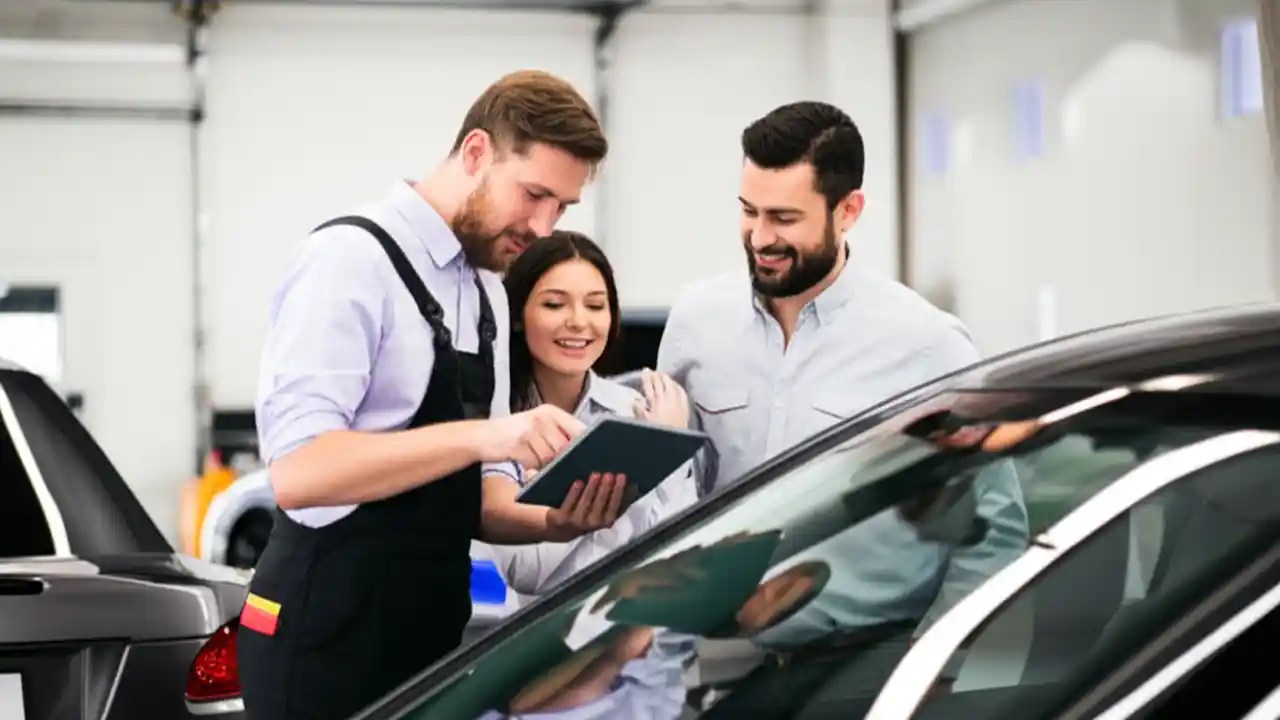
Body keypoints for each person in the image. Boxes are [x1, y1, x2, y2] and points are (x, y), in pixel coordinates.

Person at [238, 70, 631, 720]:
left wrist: (556, 523)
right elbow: (299, 473)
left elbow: (480, 502)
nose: (542, 225)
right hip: (321, 639)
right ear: (476, 152)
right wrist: (485, 435)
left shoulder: (482, 294)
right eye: (533, 194)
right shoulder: (348, 260)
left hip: (426, 641)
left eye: (561, 207)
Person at [486, 230, 701, 598]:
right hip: (523, 644)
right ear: (517, 315)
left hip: (634, 640)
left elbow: (679, 558)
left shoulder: (642, 411)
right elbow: (525, 572)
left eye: (595, 305)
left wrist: (664, 452)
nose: (578, 321)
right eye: (555, 305)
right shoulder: (494, 421)